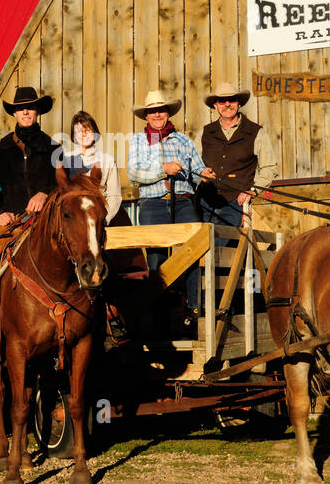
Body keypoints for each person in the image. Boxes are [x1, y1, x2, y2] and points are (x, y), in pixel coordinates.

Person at [0, 86, 58, 351]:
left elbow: (65, 186)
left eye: (30, 107)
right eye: (20, 108)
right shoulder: (1, 149)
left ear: (38, 111)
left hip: (46, 222)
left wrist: (45, 194)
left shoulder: (53, 148)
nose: (25, 111)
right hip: (12, 223)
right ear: (15, 113)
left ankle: (103, 319)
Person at [126, 89, 215, 333]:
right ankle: (159, 316)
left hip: (184, 200)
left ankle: (195, 310)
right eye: (152, 111)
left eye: (161, 110)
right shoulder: (138, 141)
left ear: (167, 113)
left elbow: (196, 169)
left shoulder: (183, 140)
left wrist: (204, 176)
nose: (157, 114)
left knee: (195, 248)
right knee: (156, 259)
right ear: (147, 116)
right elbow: (133, 173)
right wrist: (162, 169)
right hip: (153, 203)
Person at [196, 81, 278, 235]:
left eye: (232, 100)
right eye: (222, 101)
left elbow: (269, 167)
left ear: (239, 103)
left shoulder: (255, 132)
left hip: (236, 203)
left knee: (227, 251)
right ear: (215, 105)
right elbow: (193, 165)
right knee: (203, 251)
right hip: (204, 203)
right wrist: (201, 174)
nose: (227, 104)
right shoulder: (204, 133)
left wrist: (252, 191)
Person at [61, 110, 122, 223]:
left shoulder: (107, 161)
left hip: (99, 215)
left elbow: (114, 196)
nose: (84, 134)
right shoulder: (66, 160)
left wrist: (103, 219)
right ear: (74, 136)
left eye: (88, 130)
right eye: (79, 131)